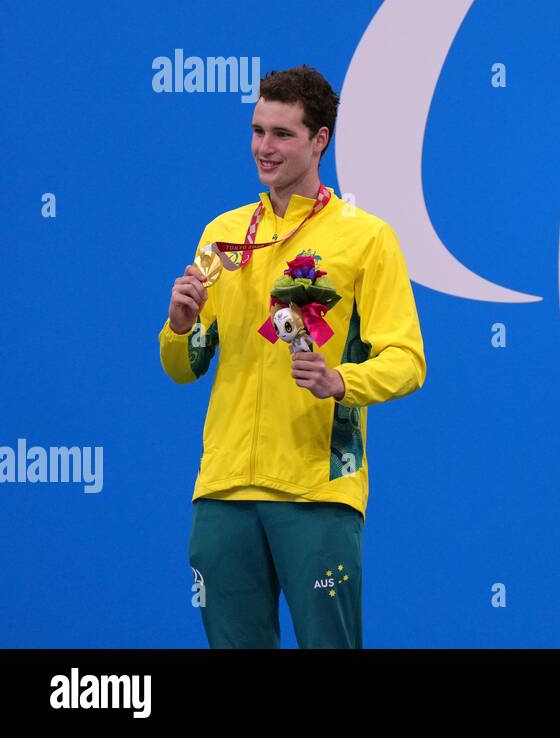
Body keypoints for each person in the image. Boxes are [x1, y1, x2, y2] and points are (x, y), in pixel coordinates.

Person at [159, 64, 426, 648]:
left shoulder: (367, 238)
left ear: (319, 140)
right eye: (257, 131)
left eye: (282, 134)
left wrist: (341, 380)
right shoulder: (221, 236)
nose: (264, 147)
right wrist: (181, 327)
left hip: (318, 492)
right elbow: (185, 366)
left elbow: (407, 360)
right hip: (224, 490)